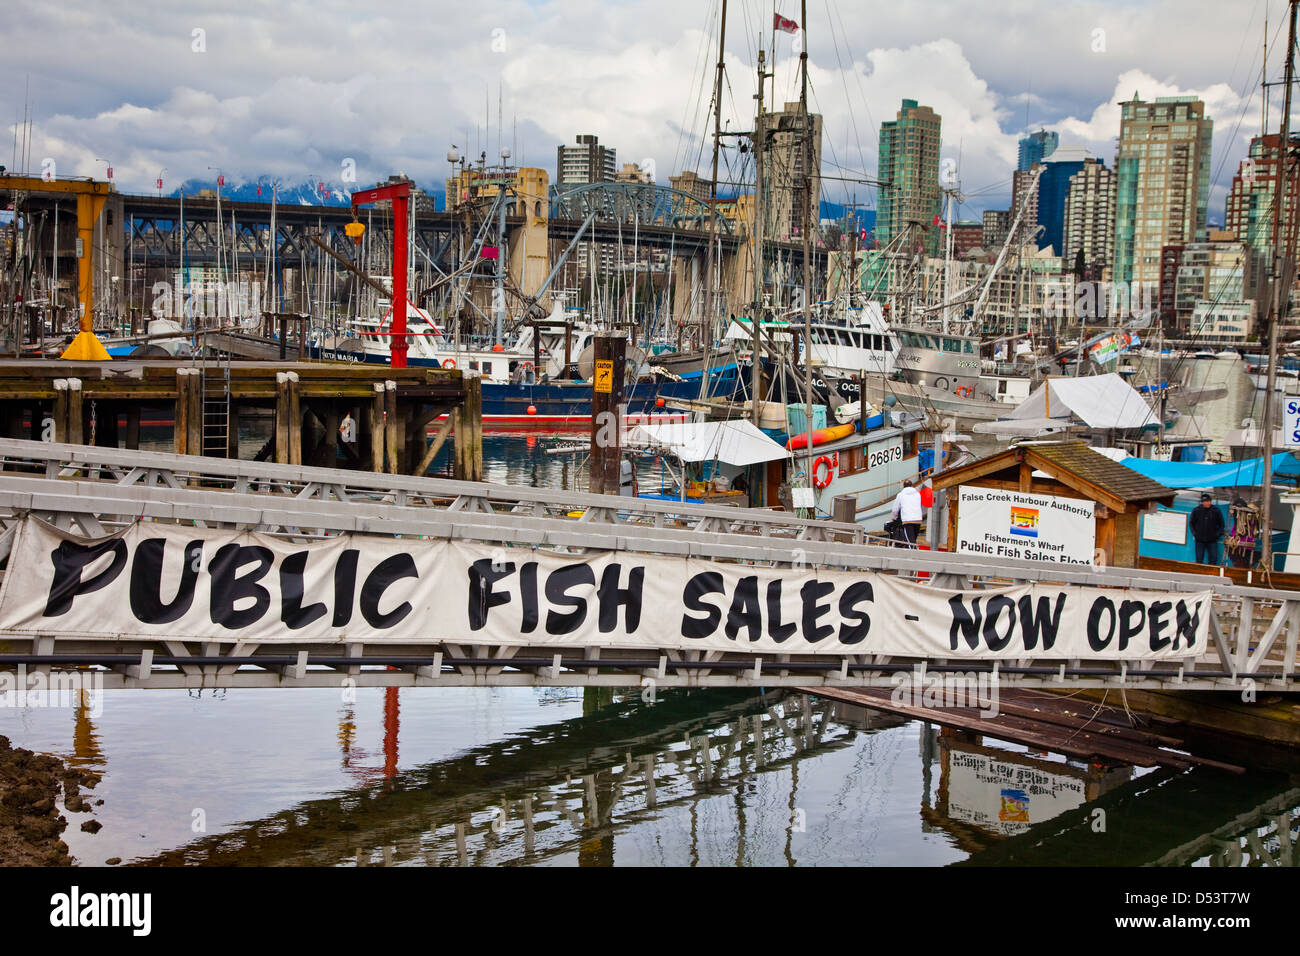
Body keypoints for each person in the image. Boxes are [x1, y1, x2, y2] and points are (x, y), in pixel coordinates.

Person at [1189, 492, 1225, 565]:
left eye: (1209, 501)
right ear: (1202, 502)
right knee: (1199, 560)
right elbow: (1191, 523)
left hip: (1212, 540)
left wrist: (1217, 535)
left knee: (1213, 559)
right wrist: (1195, 534)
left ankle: (1211, 575)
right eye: (1206, 501)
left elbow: (1222, 524)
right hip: (1199, 540)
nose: (1208, 503)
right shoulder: (1196, 510)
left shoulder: (1216, 511)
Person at [891, 478, 924, 547]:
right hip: (918, 520)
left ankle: (913, 556)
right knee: (913, 540)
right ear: (912, 485)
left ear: (903, 486)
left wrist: (894, 517)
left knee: (910, 542)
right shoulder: (917, 494)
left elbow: (895, 509)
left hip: (907, 520)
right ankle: (912, 554)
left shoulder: (901, 495)